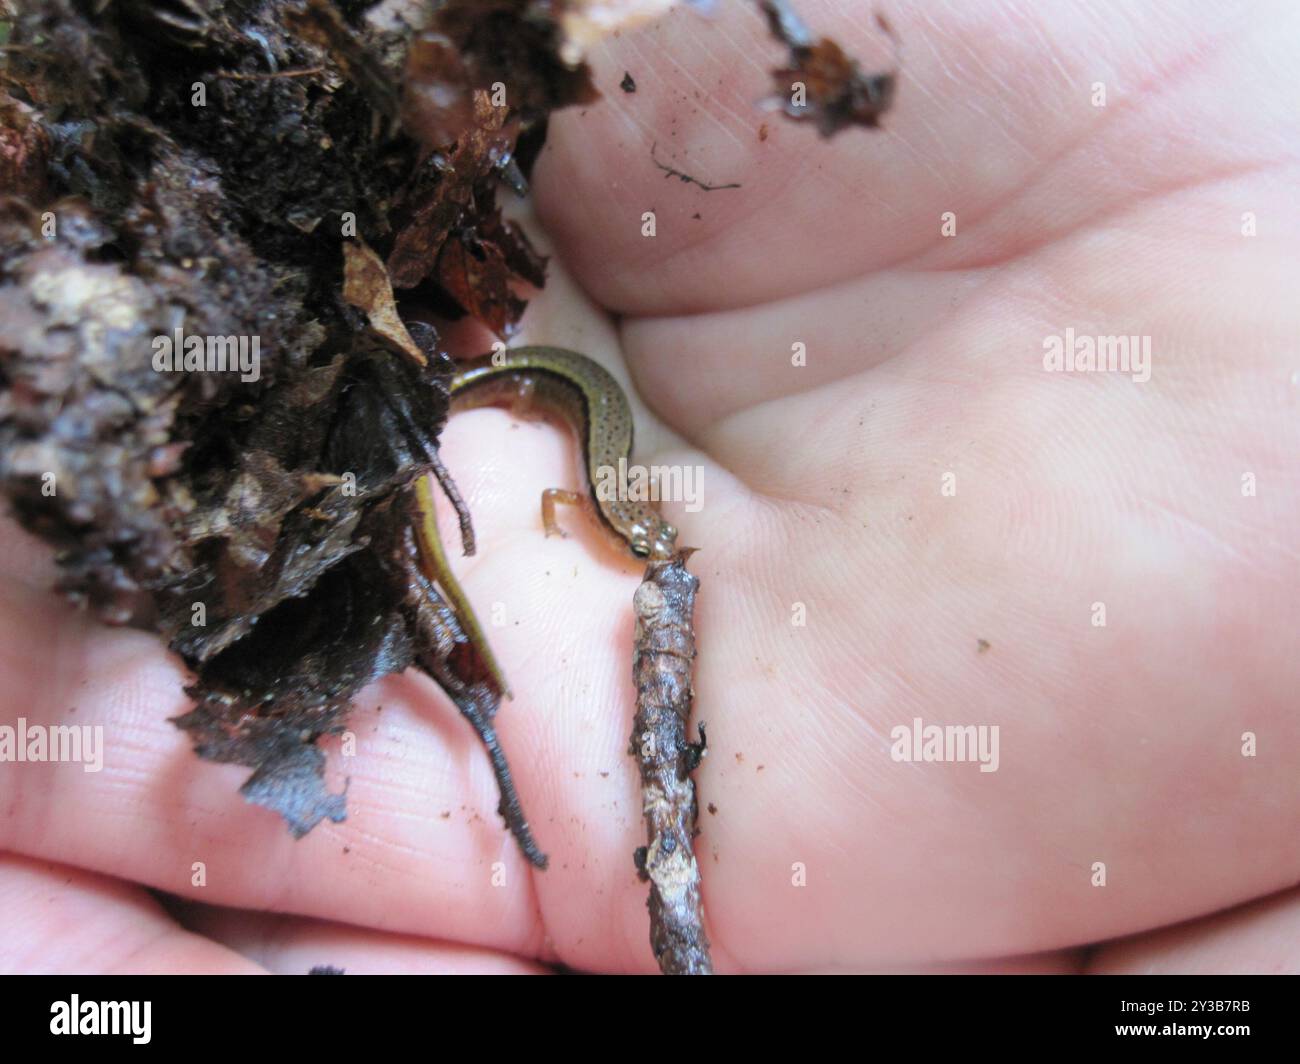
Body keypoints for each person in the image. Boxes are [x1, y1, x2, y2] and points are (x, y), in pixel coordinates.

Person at [1, 1, 1296, 974]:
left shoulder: (616, 508)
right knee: (462, 402)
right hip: (538, 373)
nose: (632, 534)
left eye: (631, 528)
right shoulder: (593, 488)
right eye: (631, 526)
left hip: (561, 382)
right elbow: (571, 472)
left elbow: (597, 494)